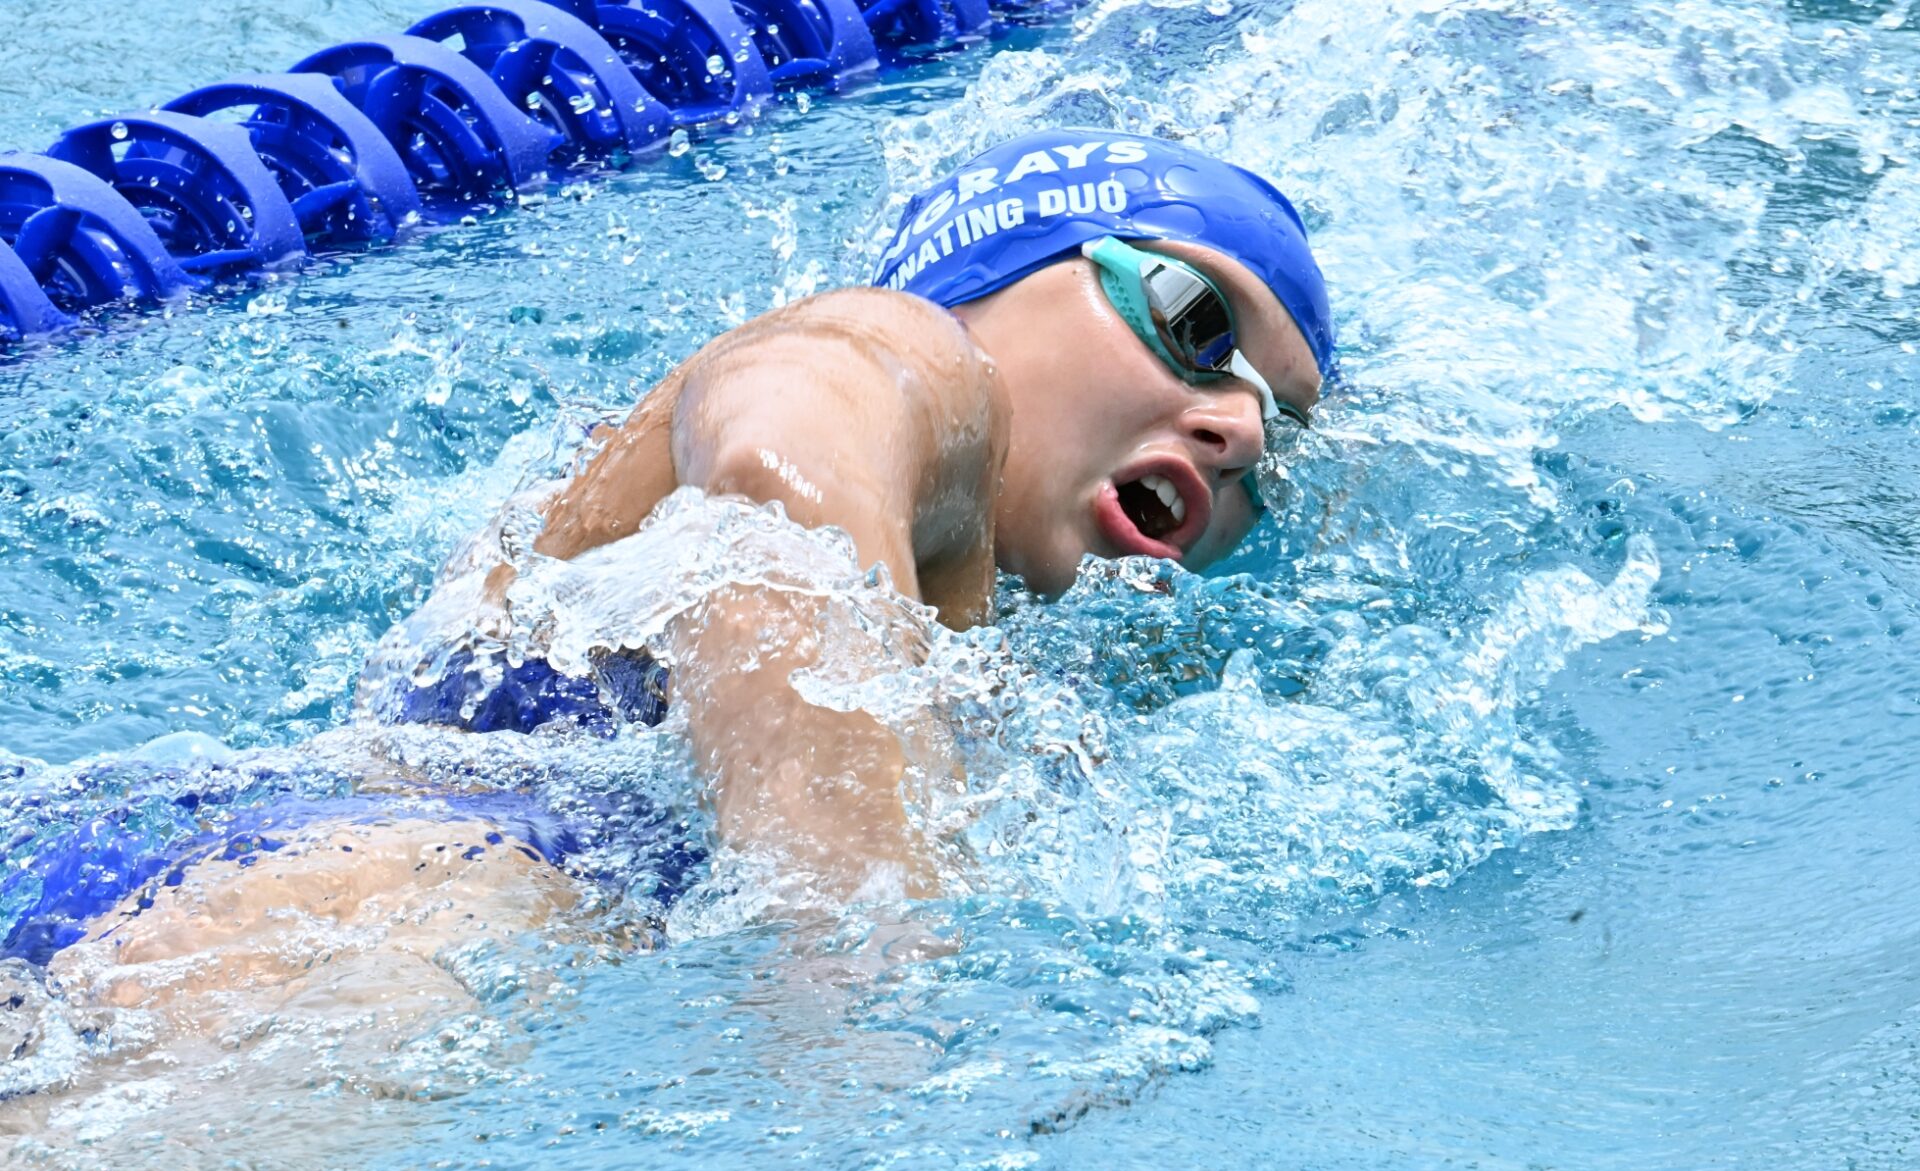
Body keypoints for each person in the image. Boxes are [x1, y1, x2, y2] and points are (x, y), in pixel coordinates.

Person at [4, 127, 1334, 983]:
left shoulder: (972, 622)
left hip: (236, 875)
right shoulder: (919, 359)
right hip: (355, 909)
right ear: (990, 272)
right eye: (1194, 320)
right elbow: (776, 463)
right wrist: (869, 968)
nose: (1234, 429)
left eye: (1273, 442)